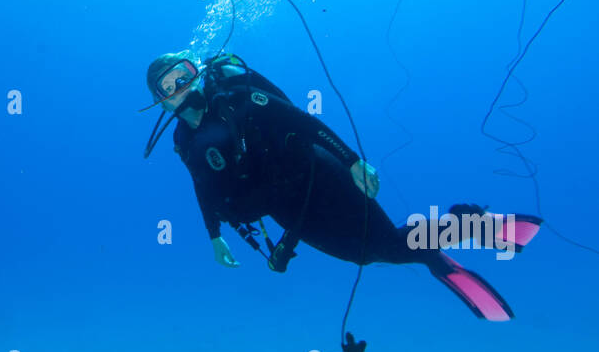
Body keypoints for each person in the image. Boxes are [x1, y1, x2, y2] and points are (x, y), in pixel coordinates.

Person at [144, 50, 542, 322]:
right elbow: (204, 188)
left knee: (386, 244)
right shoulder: (183, 141)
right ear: (158, 101)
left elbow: (304, 122)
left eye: (185, 75)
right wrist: (215, 237)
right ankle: (432, 253)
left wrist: (352, 160)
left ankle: (468, 226)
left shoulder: (235, 98)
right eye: (168, 85)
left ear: (197, 72)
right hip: (287, 208)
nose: (180, 87)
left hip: (320, 174)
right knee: (367, 255)